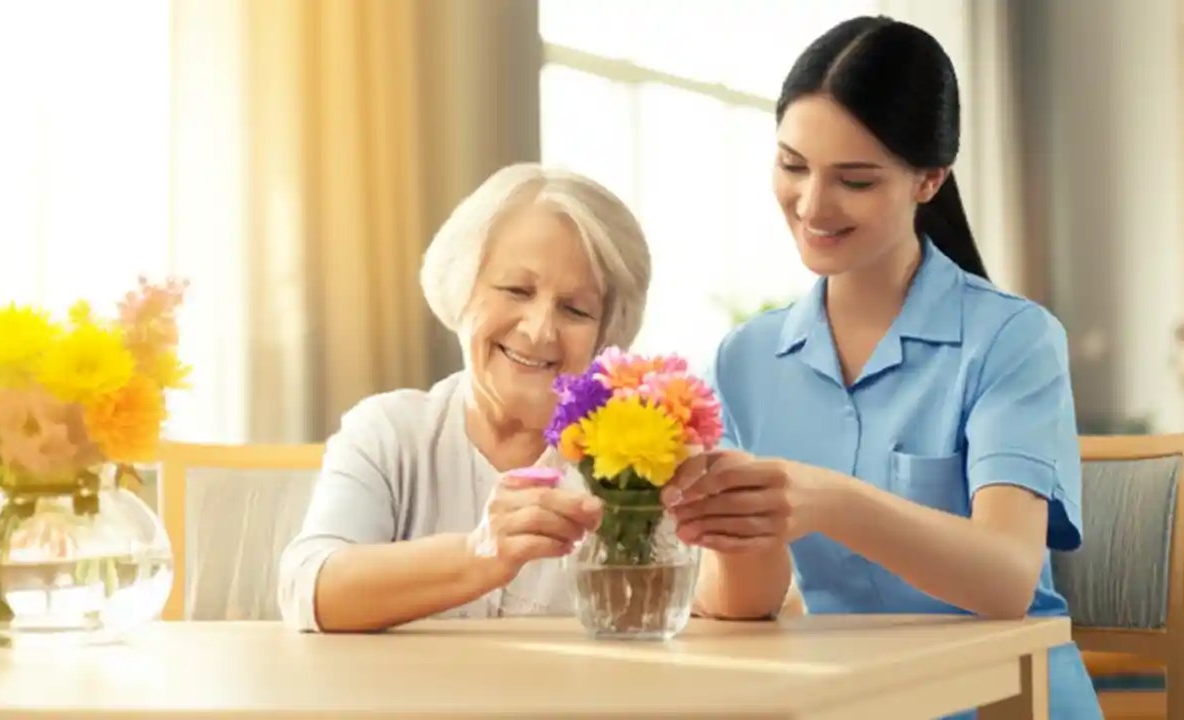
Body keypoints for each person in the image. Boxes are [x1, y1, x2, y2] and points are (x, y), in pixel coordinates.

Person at [661, 16, 1101, 719]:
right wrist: (720, 521)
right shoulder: (744, 358)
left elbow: (1006, 580)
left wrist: (830, 501)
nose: (811, 205)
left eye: (855, 181)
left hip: (1007, 702)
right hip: (841, 701)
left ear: (929, 180)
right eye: (793, 165)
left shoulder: (1012, 340)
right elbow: (744, 603)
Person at [278, 163, 652, 632]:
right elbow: (309, 587)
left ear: (605, 332)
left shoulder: (637, 458)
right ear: (462, 287)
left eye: (576, 309)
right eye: (517, 289)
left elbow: (718, 599)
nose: (539, 330)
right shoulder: (391, 432)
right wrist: (480, 553)